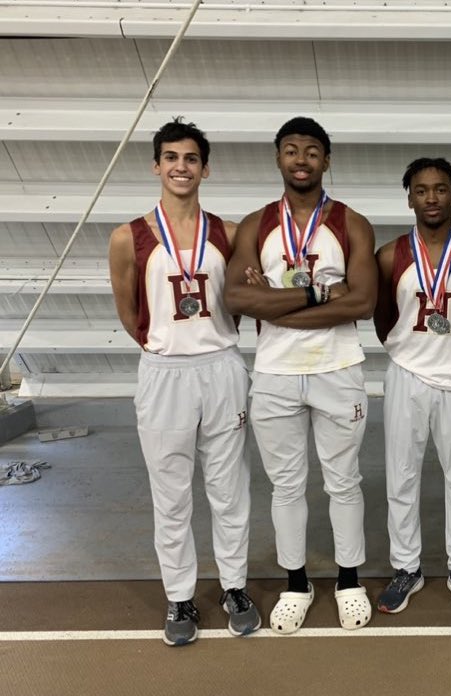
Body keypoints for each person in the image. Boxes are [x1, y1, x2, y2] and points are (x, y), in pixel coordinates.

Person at [108, 118, 260, 646]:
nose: (181, 166)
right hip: (165, 373)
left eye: (191, 158)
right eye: (171, 157)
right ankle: (179, 598)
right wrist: (166, 348)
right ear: (156, 165)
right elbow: (131, 315)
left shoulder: (230, 232)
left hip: (221, 367)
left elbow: (242, 300)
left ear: (205, 168)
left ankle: (235, 587)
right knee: (170, 494)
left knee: (229, 489)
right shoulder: (128, 237)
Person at [223, 116, 377, 633]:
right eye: (291, 150)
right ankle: (296, 583)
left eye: (312, 151)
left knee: (343, 482)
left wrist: (274, 304)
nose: (301, 160)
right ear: (278, 159)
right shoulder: (255, 223)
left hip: (338, 369)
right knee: (285, 486)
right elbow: (236, 297)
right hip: (275, 373)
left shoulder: (351, 222)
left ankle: (349, 579)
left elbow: (363, 300)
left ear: (326, 160)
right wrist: (316, 294)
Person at [373, 157, 451, 616]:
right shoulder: (389, 255)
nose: (432, 198)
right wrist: (406, 350)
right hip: (408, 376)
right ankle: (407, 566)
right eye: (422, 190)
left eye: (441, 189)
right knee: (401, 475)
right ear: (409, 199)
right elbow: (383, 316)